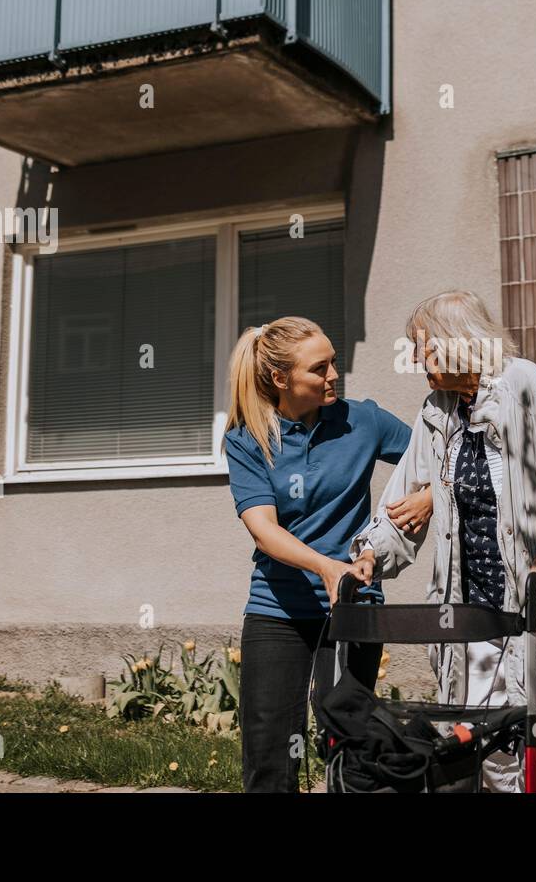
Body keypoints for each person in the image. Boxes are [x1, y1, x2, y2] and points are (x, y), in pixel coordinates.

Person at [350, 291, 536, 793]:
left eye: (423, 348)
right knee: (487, 745)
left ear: (457, 343)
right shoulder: (438, 410)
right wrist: (370, 554)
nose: (414, 360)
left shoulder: (524, 384)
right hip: (473, 612)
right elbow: (402, 499)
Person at [223, 315, 433, 792]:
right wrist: (325, 566)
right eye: (320, 368)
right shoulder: (247, 438)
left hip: (354, 608)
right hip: (278, 609)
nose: (334, 374)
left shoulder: (364, 420)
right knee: (270, 750)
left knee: (351, 741)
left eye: (334, 362)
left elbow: (443, 456)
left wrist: (430, 497)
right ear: (281, 378)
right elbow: (263, 531)